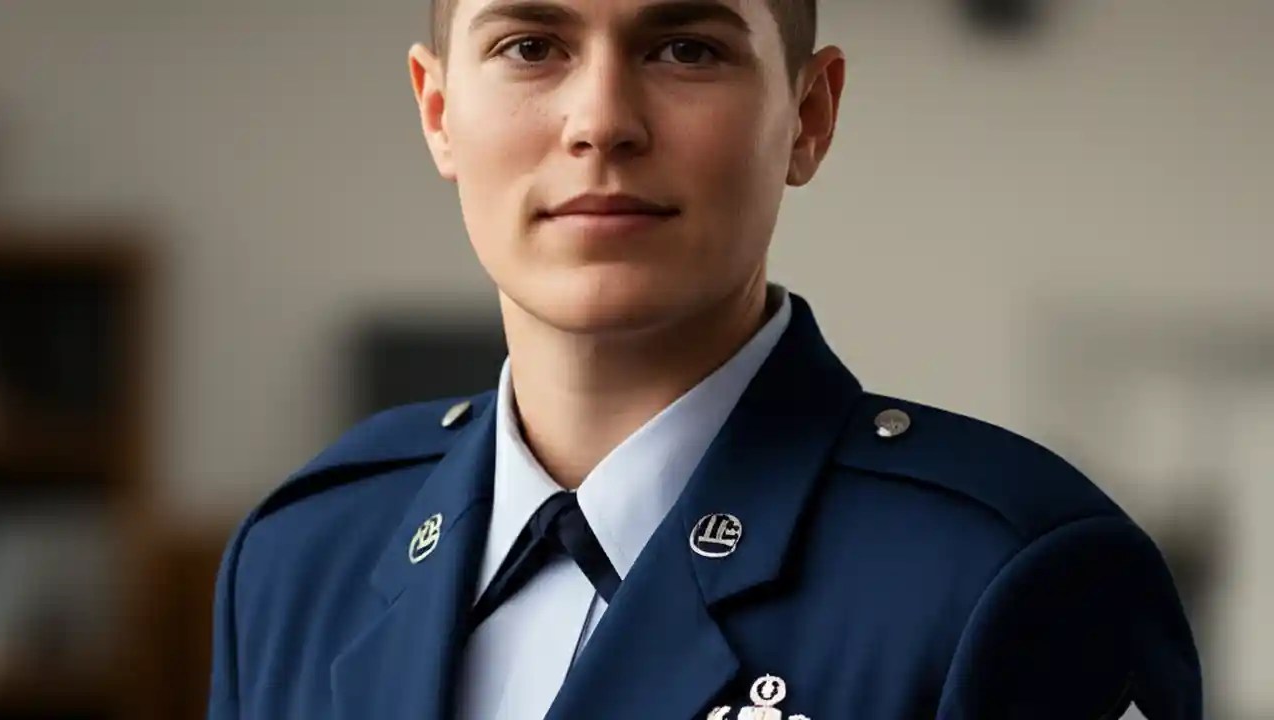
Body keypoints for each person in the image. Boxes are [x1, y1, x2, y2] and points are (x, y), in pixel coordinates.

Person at [207, 0, 1203, 718]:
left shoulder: (1004, 577)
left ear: (807, 118)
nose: (600, 121)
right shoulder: (303, 557)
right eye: (529, 45)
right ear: (437, 112)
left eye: (685, 46)